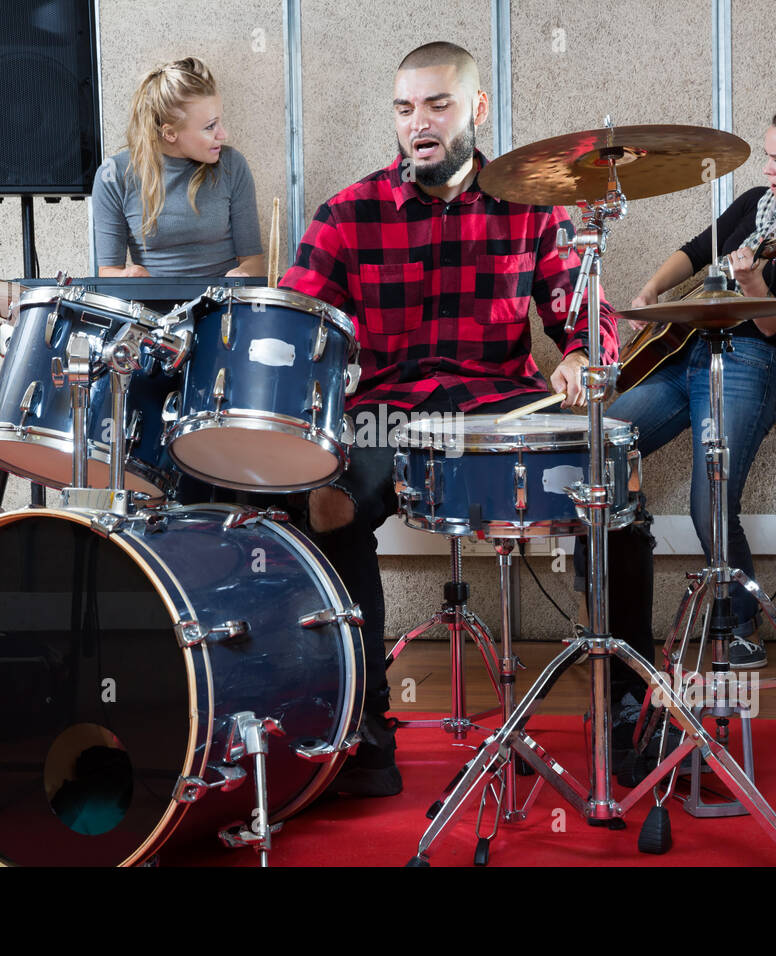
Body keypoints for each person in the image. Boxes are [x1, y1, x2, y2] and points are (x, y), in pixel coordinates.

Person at [280, 41, 620, 797]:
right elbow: (297, 330)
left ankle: (623, 716)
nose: (419, 124)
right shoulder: (346, 213)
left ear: (477, 108)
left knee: (612, 503)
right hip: (385, 414)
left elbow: (586, 315)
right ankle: (363, 728)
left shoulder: (536, 205)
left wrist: (580, 353)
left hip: (497, 409)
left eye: (436, 104)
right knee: (322, 504)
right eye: (405, 109)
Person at [596, 101, 776, 677]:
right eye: (767, 158)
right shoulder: (754, 204)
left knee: (711, 502)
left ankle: (740, 624)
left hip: (750, 361)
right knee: (603, 446)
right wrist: (649, 292)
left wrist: (749, 277)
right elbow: (698, 250)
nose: (768, 169)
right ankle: (608, 600)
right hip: (686, 351)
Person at [91, 56, 264, 278]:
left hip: (222, 308)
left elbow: (254, 262)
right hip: (150, 311)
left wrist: (242, 275)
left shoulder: (232, 165)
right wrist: (128, 275)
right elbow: (107, 272)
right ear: (170, 132)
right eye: (210, 126)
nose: (223, 135)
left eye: (219, 122)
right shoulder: (114, 174)